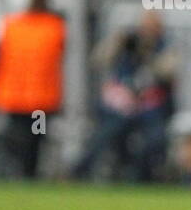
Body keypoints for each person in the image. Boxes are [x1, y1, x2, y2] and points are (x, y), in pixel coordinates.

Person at [71, 10, 177, 181]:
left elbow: (168, 71)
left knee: (155, 140)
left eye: (152, 28)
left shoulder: (166, 47)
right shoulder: (126, 45)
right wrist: (117, 41)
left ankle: (141, 178)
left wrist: (148, 53)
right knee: (104, 134)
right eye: (145, 28)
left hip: (150, 110)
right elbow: (98, 60)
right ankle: (78, 173)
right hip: (121, 110)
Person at [0, 0, 65, 178]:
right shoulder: (54, 27)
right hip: (40, 102)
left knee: (16, 139)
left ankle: (17, 173)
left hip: (14, 98)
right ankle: (30, 174)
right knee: (36, 138)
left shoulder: (12, 26)